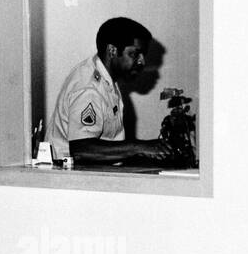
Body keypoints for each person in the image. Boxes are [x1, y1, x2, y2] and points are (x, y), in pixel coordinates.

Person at [48, 16, 169, 165]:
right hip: (71, 178)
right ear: (112, 50)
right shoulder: (88, 88)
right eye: (135, 53)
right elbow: (81, 150)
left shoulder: (105, 79)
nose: (142, 61)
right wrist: (139, 147)